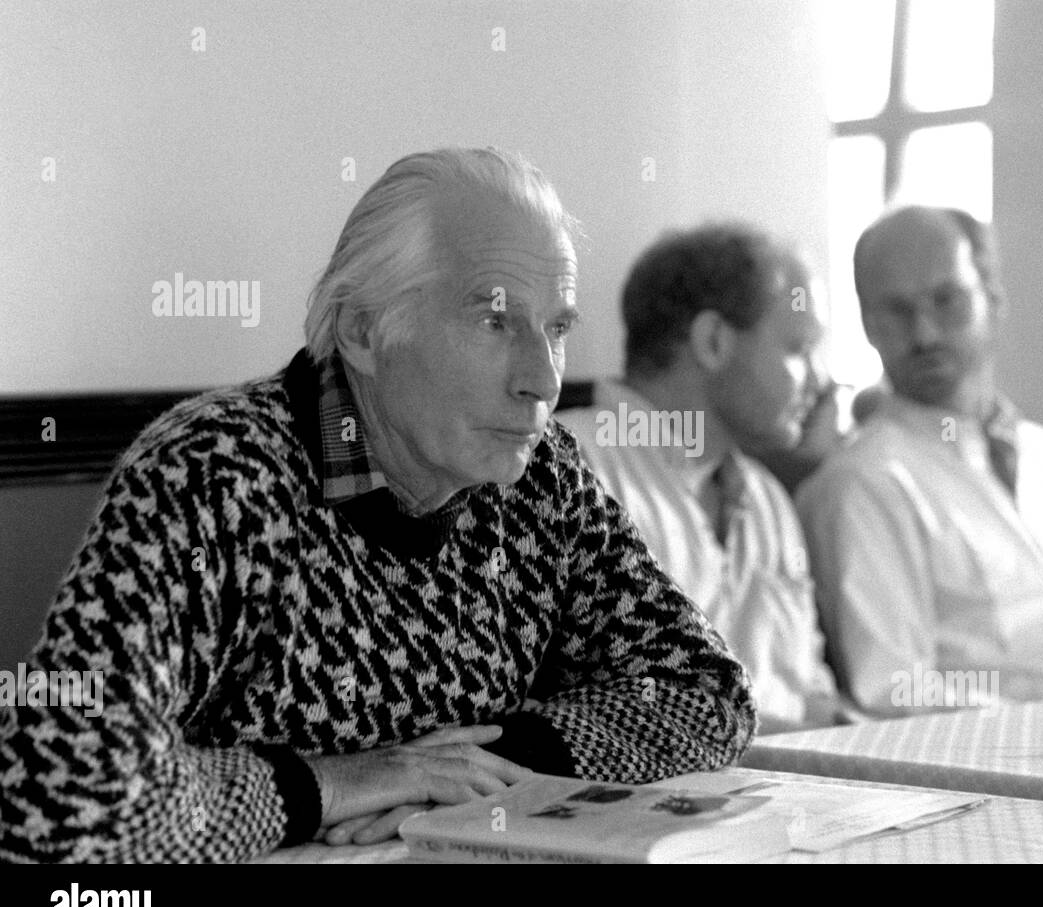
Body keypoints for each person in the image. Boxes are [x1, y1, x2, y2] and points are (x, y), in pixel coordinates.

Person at [0, 148, 756, 863]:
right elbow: (56, 798)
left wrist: (486, 766)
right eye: (495, 321)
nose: (543, 379)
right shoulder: (209, 474)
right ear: (364, 330)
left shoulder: (540, 475)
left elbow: (705, 690)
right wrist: (337, 783)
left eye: (556, 328)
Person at [796, 206, 1043, 716]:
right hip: (1009, 763)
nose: (924, 334)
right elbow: (893, 691)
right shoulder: (862, 483)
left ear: (994, 300)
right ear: (868, 326)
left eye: (947, 300)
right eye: (895, 311)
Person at [557, 223, 850, 734]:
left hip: (800, 796)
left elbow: (812, 697)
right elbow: (599, 719)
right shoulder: (572, 471)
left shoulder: (766, 498)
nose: (821, 379)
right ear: (714, 341)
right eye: (799, 349)